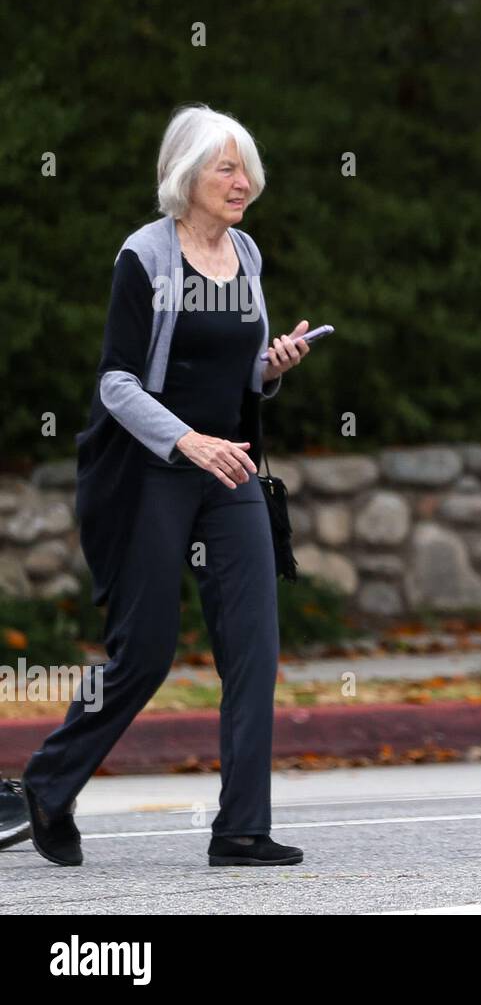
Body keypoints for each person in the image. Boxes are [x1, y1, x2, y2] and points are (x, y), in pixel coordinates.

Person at [22, 104, 313, 867]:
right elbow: (118, 382)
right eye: (227, 167)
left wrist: (269, 370)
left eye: (246, 168)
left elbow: (231, 370)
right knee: (143, 653)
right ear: (187, 174)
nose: (243, 181)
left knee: (254, 647)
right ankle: (48, 782)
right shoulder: (144, 257)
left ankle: (241, 828)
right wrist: (185, 439)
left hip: (231, 471)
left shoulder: (245, 255)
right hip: (152, 471)